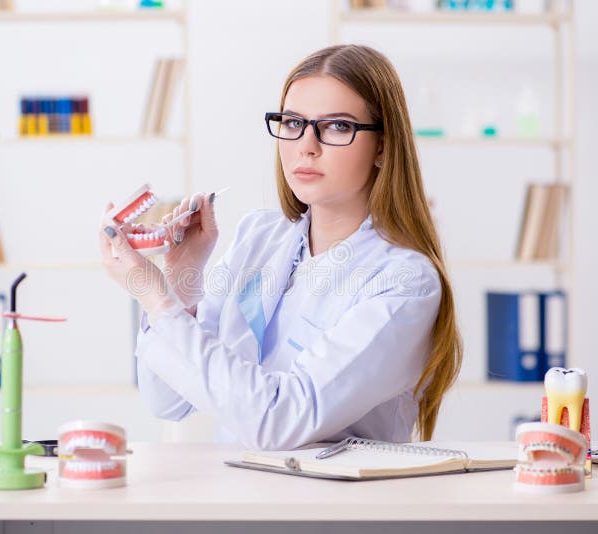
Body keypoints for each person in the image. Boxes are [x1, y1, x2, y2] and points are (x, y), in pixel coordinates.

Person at [99, 44, 462, 450]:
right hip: (236, 485)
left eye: (336, 126)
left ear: (382, 146)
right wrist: (180, 280)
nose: (307, 145)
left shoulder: (405, 281)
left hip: (330, 491)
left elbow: (278, 421)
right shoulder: (259, 237)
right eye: (293, 123)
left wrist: (156, 300)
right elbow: (167, 400)